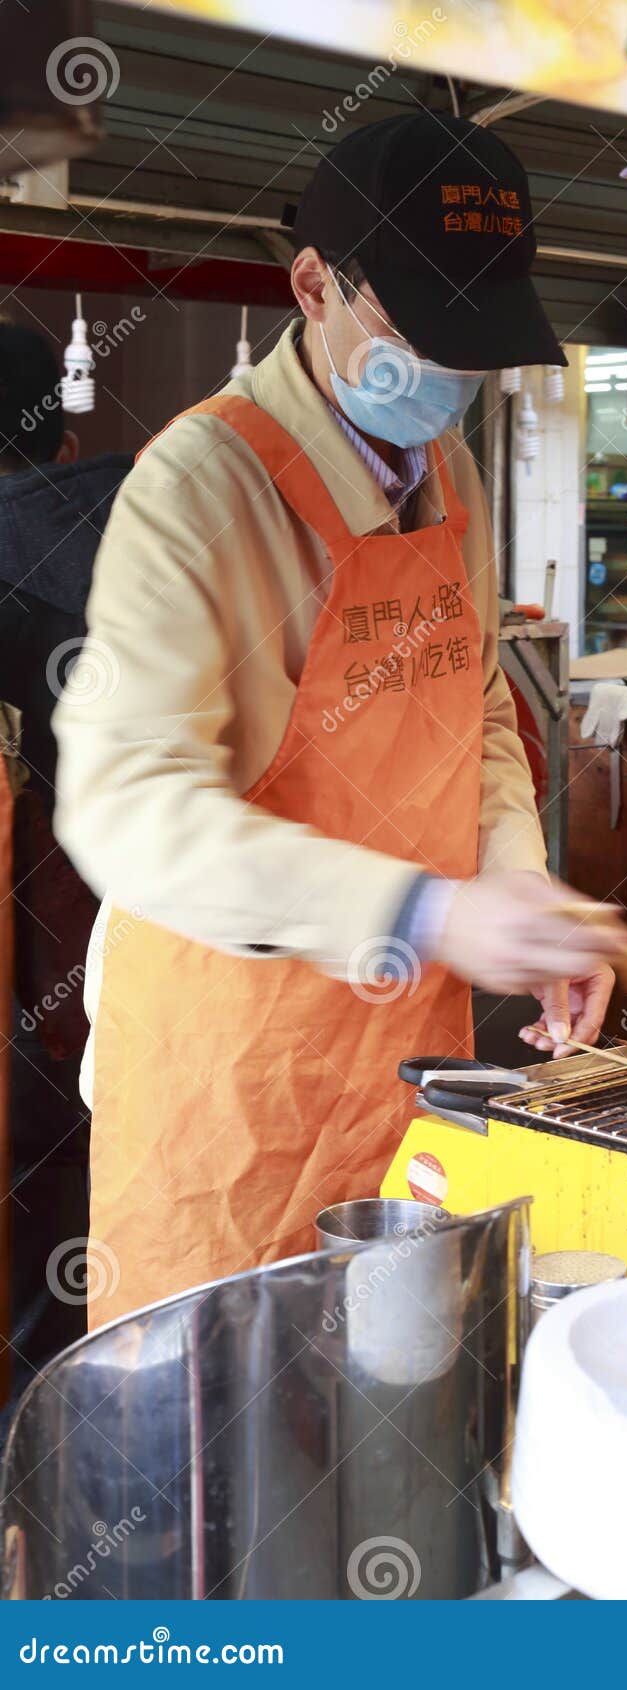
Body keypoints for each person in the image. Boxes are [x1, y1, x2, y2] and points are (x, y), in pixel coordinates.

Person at [54, 113, 627, 1330]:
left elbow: (472, 709)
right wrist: (431, 910)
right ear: (314, 285)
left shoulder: (450, 481)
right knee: (215, 1466)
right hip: (230, 1072)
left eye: (475, 345)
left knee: (388, 1408)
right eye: (423, 334)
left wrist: (518, 890)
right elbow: (124, 807)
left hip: (398, 1055)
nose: (451, 377)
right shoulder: (199, 485)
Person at [0, 320, 131, 1387]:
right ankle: (85, 1375)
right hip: (130, 908)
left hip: (30, 905)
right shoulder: (136, 518)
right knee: (91, 1139)